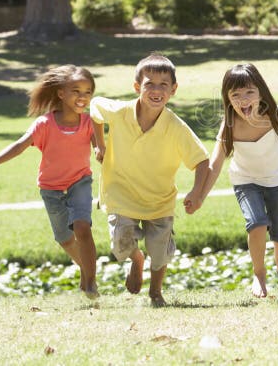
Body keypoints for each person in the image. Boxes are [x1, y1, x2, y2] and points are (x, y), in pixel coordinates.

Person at [184, 63, 278, 302]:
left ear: (260, 93)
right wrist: (200, 196)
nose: (243, 100)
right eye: (235, 95)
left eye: (249, 93)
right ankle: (259, 274)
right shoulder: (230, 124)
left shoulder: (272, 113)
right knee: (256, 223)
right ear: (227, 99)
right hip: (246, 181)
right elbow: (215, 164)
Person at [90, 53, 209, 307]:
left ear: (173, 90)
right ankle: (136, 260)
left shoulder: (176, 127)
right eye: (149, 84)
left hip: (159, 200)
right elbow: (95, 108)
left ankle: (156, 292)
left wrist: (196, 193)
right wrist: (99, 144)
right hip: (120, 193)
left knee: (160, 252)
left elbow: (202, 160)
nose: (156, 90)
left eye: (163, 85)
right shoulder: (120, 112)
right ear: (137, 87)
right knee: (120, 245)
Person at [0, 65, 101, 299]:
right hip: (51, 189)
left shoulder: (89, 123)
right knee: (65, 239)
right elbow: (20, 145)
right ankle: (85, 269)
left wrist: (103, 153)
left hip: (80, 182)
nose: (82, 97)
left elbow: (101, 149)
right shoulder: (45, 124)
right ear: (61, 93)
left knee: (82, 227)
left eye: (87, 92)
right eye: (76, 91)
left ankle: (90, 282)